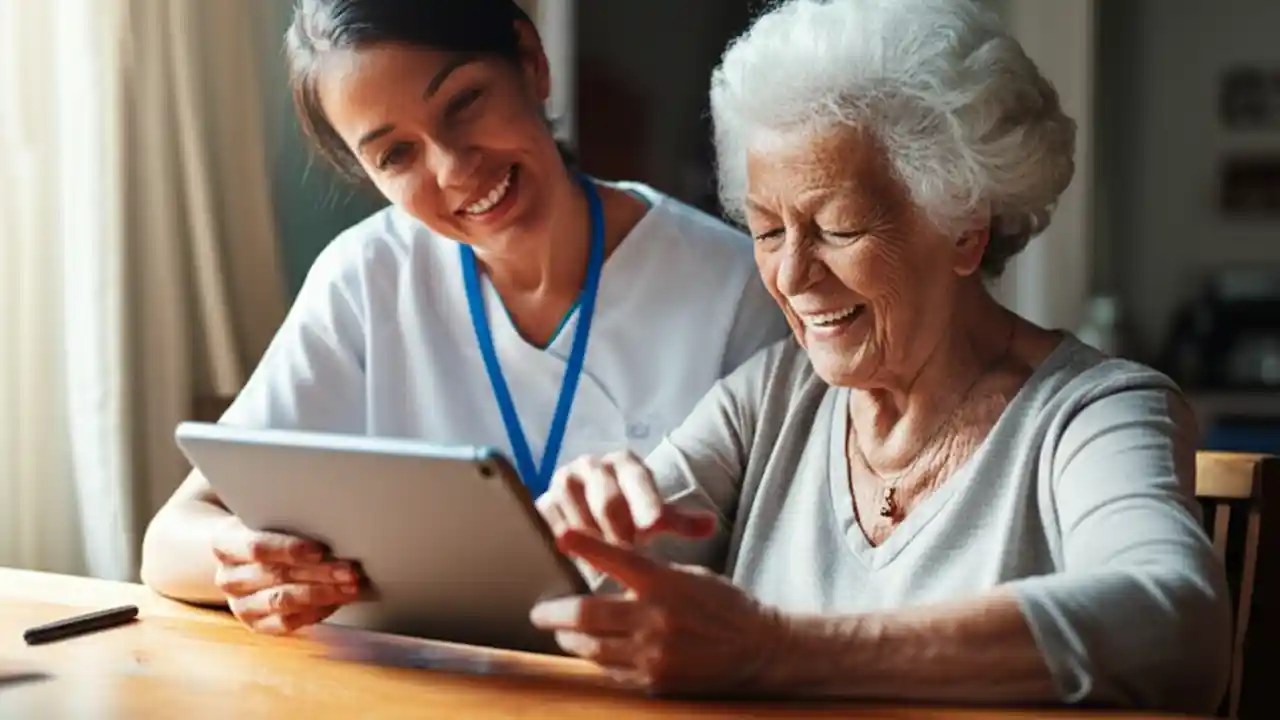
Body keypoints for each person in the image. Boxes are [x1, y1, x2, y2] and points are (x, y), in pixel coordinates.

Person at [529, 0, 1232, 713]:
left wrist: (777, 650)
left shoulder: (1094, 413)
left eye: (838, 229)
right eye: (768, 231)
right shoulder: (768, 400)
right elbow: (573, 602)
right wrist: (581, 539)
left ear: (965, 228)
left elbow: (1173, 623)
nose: (792, 276)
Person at [139, 0, 787, 635]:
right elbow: (168, 540)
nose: (453, 168)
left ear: (530, 62)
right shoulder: (367, 278)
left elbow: (791, 575)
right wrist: (249, 560)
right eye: (396, 155)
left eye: (465, 102)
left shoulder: (735, 286)